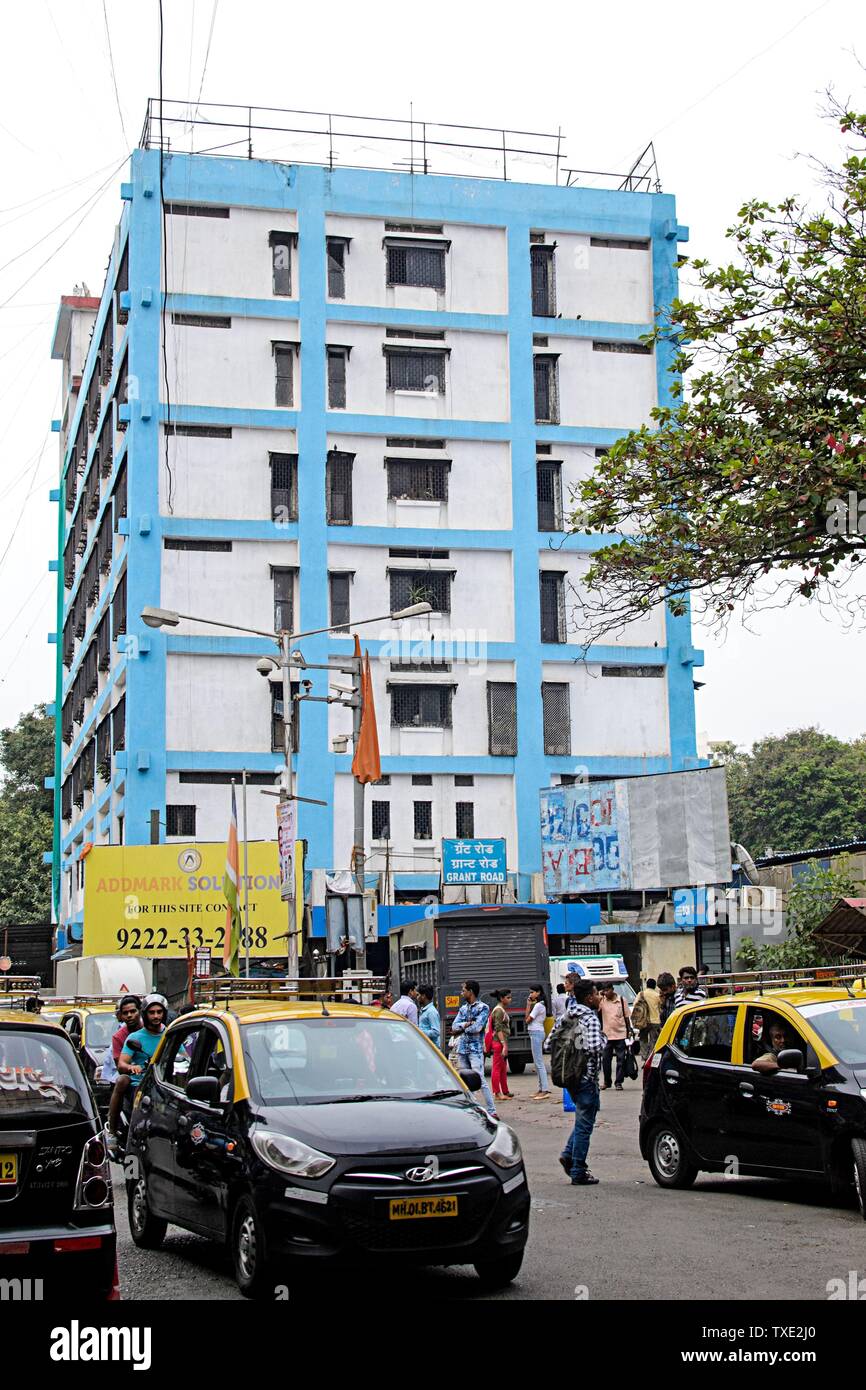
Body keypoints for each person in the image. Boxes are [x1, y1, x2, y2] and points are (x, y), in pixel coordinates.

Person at [559, 979, 606, 1185]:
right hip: (587, 1078)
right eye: (596, 994)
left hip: (571, 1077)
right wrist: (603, 1038)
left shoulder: (568, 1015)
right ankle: (578, 1169)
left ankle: (568, 1154)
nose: (599, 997)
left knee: (583, 1119)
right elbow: (595, 1047)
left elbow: (551, 1039)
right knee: (585, 1124)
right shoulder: (590, 1017)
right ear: (589, 997)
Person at [451, 979, 496, 1117]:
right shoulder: (463, 1008)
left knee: (480, 1080)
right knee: (464, 1080)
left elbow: (478, 1027)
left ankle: (491, 1110)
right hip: (463, 1048)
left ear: (470, 992)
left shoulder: (483, 1007)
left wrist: (462, 1027)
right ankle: (473, 1108)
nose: (461, 993)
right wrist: (467, 1024)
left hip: (475, 1049)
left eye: (463, 990)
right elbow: (453, 1027)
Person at [104, 995, 142, 1157]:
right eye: (126, 1013)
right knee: (122, 1081)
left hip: (153, 1077)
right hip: (129, 1078)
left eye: (133, 1011)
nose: (130, 1016)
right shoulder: (120, 1037)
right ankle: (112, 1130)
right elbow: (120, 1065)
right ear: (121, 1016)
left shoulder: (158, 1030)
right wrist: (132, 1068)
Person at [118, 994, 168, 1100]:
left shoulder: (170, 1035)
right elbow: (121, 1064)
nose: (156, 1016)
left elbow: (184, 1058)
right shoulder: (135, 1037)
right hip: (140, 1085)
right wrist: (132, 1067)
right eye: (152, 1012)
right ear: (145, 1014)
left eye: (159, 1012)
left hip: (166, 1085)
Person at [598, 982, 631, 1090]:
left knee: (621, 1059)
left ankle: (618, 1082)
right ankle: (607, 1081)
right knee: (605, 1059)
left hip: (620, 1034)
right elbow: (595, 1006)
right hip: (607, 1035)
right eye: (604, 991)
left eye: (608, 990)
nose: (606, 993)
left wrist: (629, 1031)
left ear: (612, 989)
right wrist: (601, 994)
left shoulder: (622, 1000)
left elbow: (626, 1017)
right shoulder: (602, 1001)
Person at [525, 985, 551, 1099]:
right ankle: (541, 1088)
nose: (530, 994)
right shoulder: (540, 1005)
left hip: (536, 1032)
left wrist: (528, 1005)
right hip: (536, 1032)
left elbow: (527, 1019)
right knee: (537, 1062)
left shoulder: (538, 1006)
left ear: (538, 992)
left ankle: (544, 1089)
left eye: (532, 992)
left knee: (539, 1063)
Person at [490, 990, 514, 1101]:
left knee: (503, 1068)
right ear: (501, 998)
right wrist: (504, 1044)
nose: (510, 999)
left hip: (501, 1042)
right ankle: (497, 1093)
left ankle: (505, 1091)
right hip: (498, 1043)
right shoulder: (499, 1011)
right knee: (497, 1068)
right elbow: (498, 1028)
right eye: (508, 997)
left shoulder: (501, 1010)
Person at [632, 977, 662, 1061]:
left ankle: (645, 1057)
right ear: (655, 986)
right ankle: (651, 1057)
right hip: (655, 1021)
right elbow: (660, 1007)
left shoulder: (641, 994)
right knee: (654, 1040)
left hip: (643, 1021)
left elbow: (635, 1004)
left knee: (643, 1039)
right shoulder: (657, 995)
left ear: (647, 985)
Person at [417, 985, 441, 1050]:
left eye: (418, 995)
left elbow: (436, 1032)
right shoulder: (424, 1010)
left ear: (423, 996)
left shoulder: (431, 1012)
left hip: (432, 1049)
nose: (417, 998)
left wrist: (420, 1032)